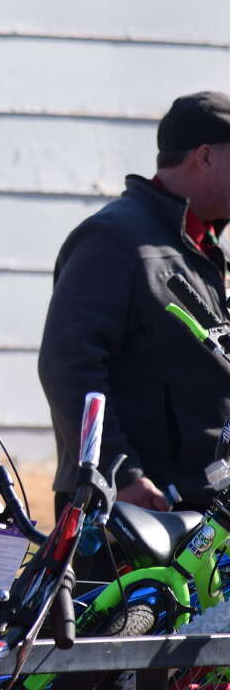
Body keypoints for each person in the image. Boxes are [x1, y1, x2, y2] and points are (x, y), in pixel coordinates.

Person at [40, 90, 230, 518]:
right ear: (205, 157)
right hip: (138, 508)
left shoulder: (201, 246)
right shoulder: (115, 239)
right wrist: (120, 475)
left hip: (201, 504)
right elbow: (68, 364)